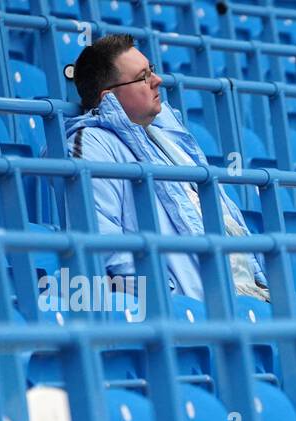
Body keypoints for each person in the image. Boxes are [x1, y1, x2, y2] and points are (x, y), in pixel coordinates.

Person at [63, 34, 269, 302]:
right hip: (192, 307)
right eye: (143, 76)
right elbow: (101, 242)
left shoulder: (167, 135)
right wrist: (166, 297)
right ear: (109, 96)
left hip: (243, 295)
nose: (157, 80)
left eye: (153, 71)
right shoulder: (90, 145)